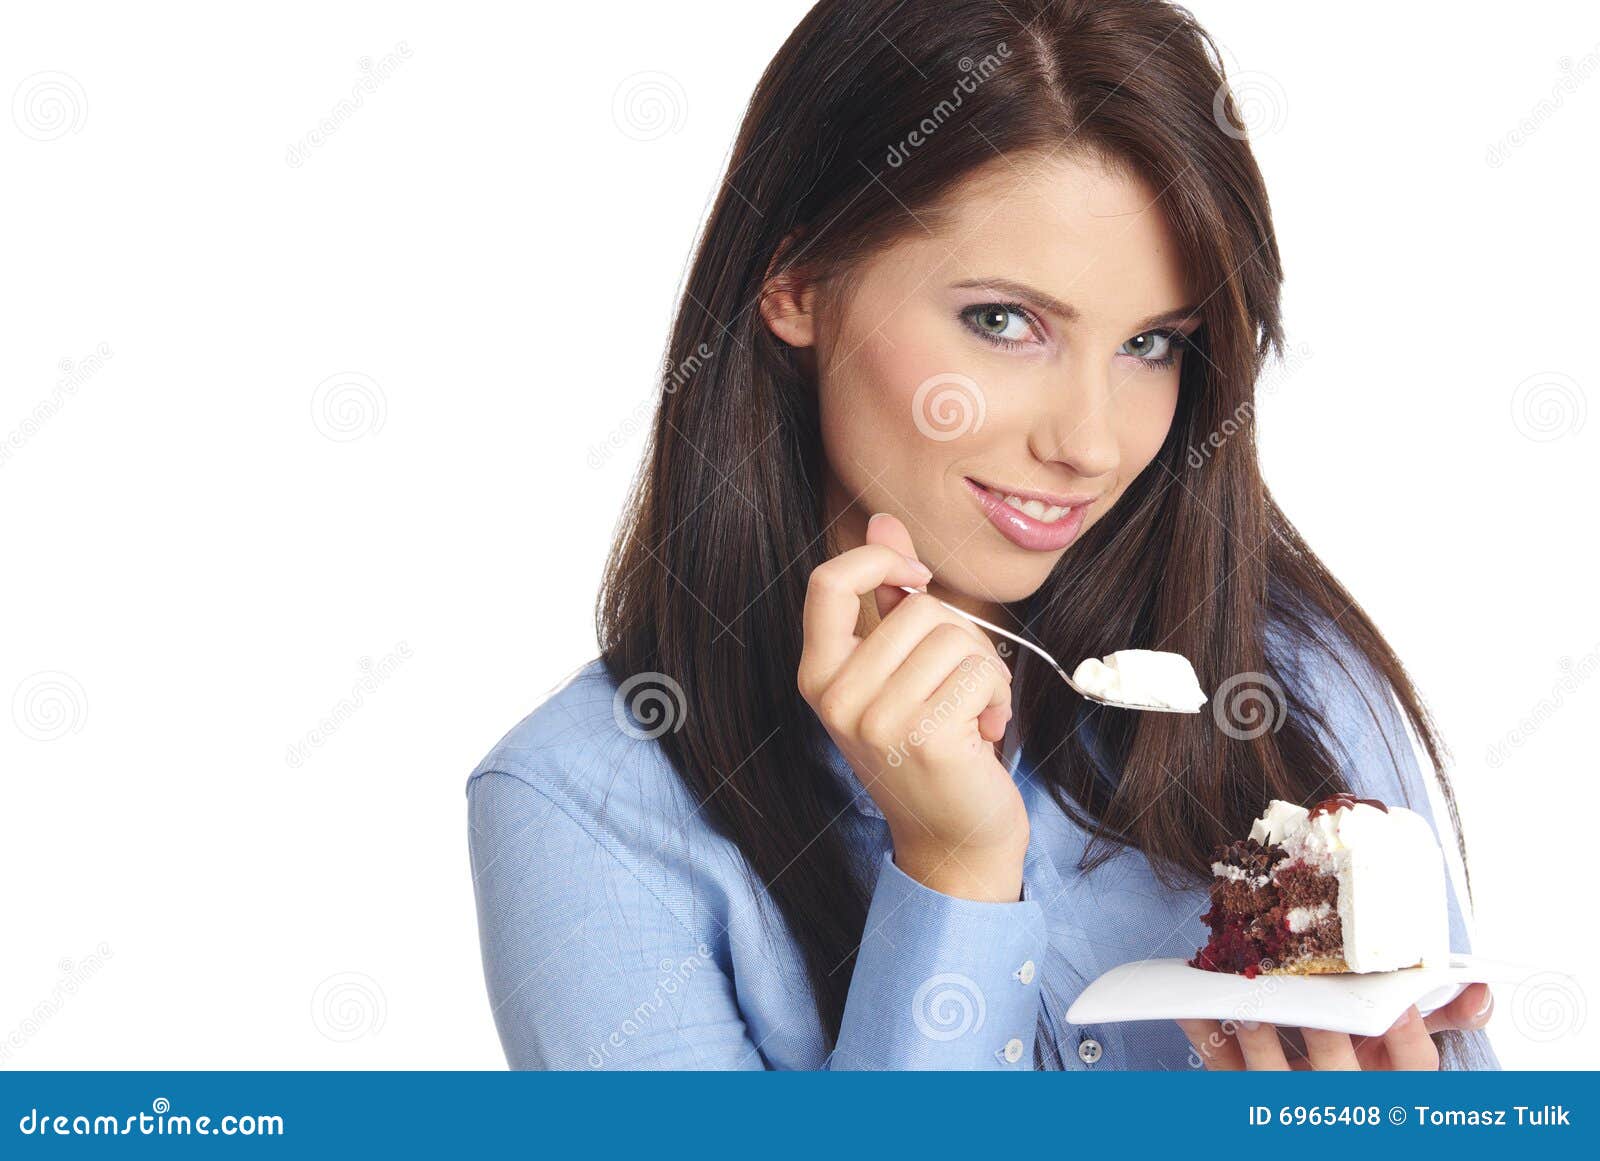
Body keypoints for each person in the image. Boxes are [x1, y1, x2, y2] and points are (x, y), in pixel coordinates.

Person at [466, 0, 1498, 1069]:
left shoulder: (1290, 678)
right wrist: (953, 872)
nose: (1089, 444)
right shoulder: (584, 808)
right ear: (797, 283)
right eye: (1004, 322)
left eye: (1151, 344)